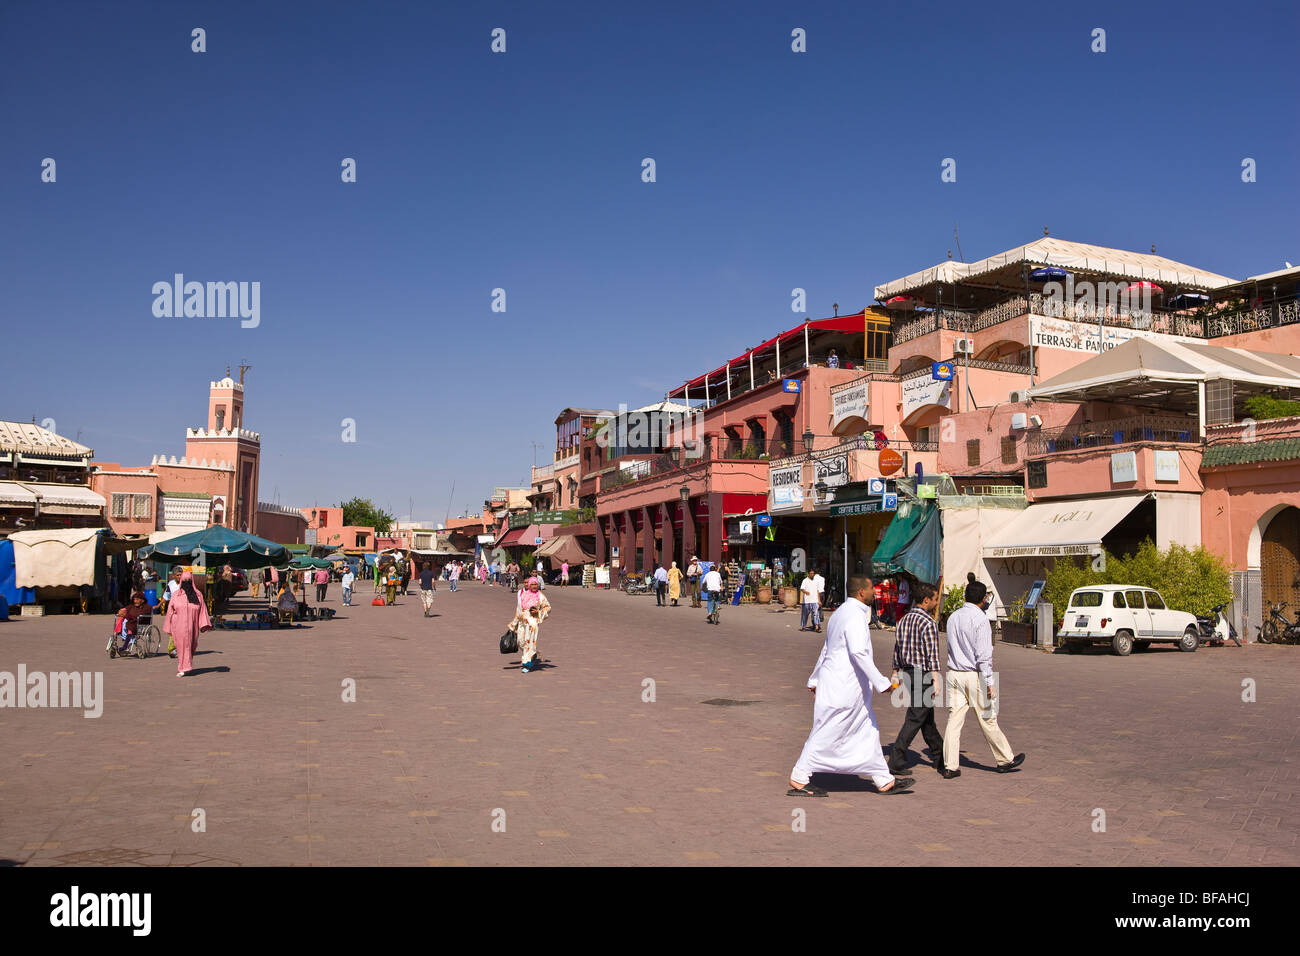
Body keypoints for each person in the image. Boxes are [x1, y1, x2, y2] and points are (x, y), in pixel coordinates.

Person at [786, 576, 913, 797]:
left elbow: (827, 649)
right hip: (843, 687)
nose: (874, 592)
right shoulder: (854, 615)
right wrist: (883, 683)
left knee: (868, 731)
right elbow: (858, 652)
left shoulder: (841, 613)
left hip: (843, 686)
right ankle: (800, 776)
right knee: (827, 731)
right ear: (862, 592)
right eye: (871, 588)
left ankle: (883, 779)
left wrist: (815, 680)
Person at [940, 575, 1026, 779]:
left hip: (954, 673)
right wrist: (989, 682)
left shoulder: (953, 617)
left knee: (954, 720)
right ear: (983, 599)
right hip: (974, 675)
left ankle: (950, 765)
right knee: (988, 718)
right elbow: (984, 656)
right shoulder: (980, 619)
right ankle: (1005, 759)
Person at [888, 582, 945, 776]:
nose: (936, 603)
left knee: (926, 719)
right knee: (915, 718)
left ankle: (940, 756)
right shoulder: (928, 622)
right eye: (935, 599)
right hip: (923, 674)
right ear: (926, 600)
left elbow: (897, 648)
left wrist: (895, 672)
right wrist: (936, 679)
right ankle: (896, 760)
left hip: (908, 673)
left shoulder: (903, 620)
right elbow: (932, 654)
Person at [165, 571, 212, 677]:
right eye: (185, 580)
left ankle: (187, 665)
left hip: (193, 627)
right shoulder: (176, 595)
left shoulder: (198, 595)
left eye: (189, 580)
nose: (187, 582)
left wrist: (204, 625)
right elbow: (170, 611)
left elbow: (202, 610)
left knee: (191, 646)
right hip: (179, 626)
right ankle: (182, 668)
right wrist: (168, 626)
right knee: (181, 647)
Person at [508, 576, 552, 673]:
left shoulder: (540, 596)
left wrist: (538, 611)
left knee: (529, 642)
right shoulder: (523, 595)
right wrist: (513, 624)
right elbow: (518, 610)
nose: (534, 586)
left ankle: (527, 664)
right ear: (529, 585)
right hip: (522, 622)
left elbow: (548, 607)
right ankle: (532, 654)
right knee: (520, 641)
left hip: (532, 623)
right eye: (532, 584)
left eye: (535, 584)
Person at [111, 591, 151, 656]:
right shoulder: (131, 606)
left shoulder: (147, 607)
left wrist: (128, 615)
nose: (135, 601)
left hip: (140, 624)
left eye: (137, 599)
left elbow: (140, 616)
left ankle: (125, 645)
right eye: (134, 599)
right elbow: (124, 610)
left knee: (130, 625)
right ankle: (116, 635)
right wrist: (121, 612)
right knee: (120, 618)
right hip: (131, 621)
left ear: (142, 600)